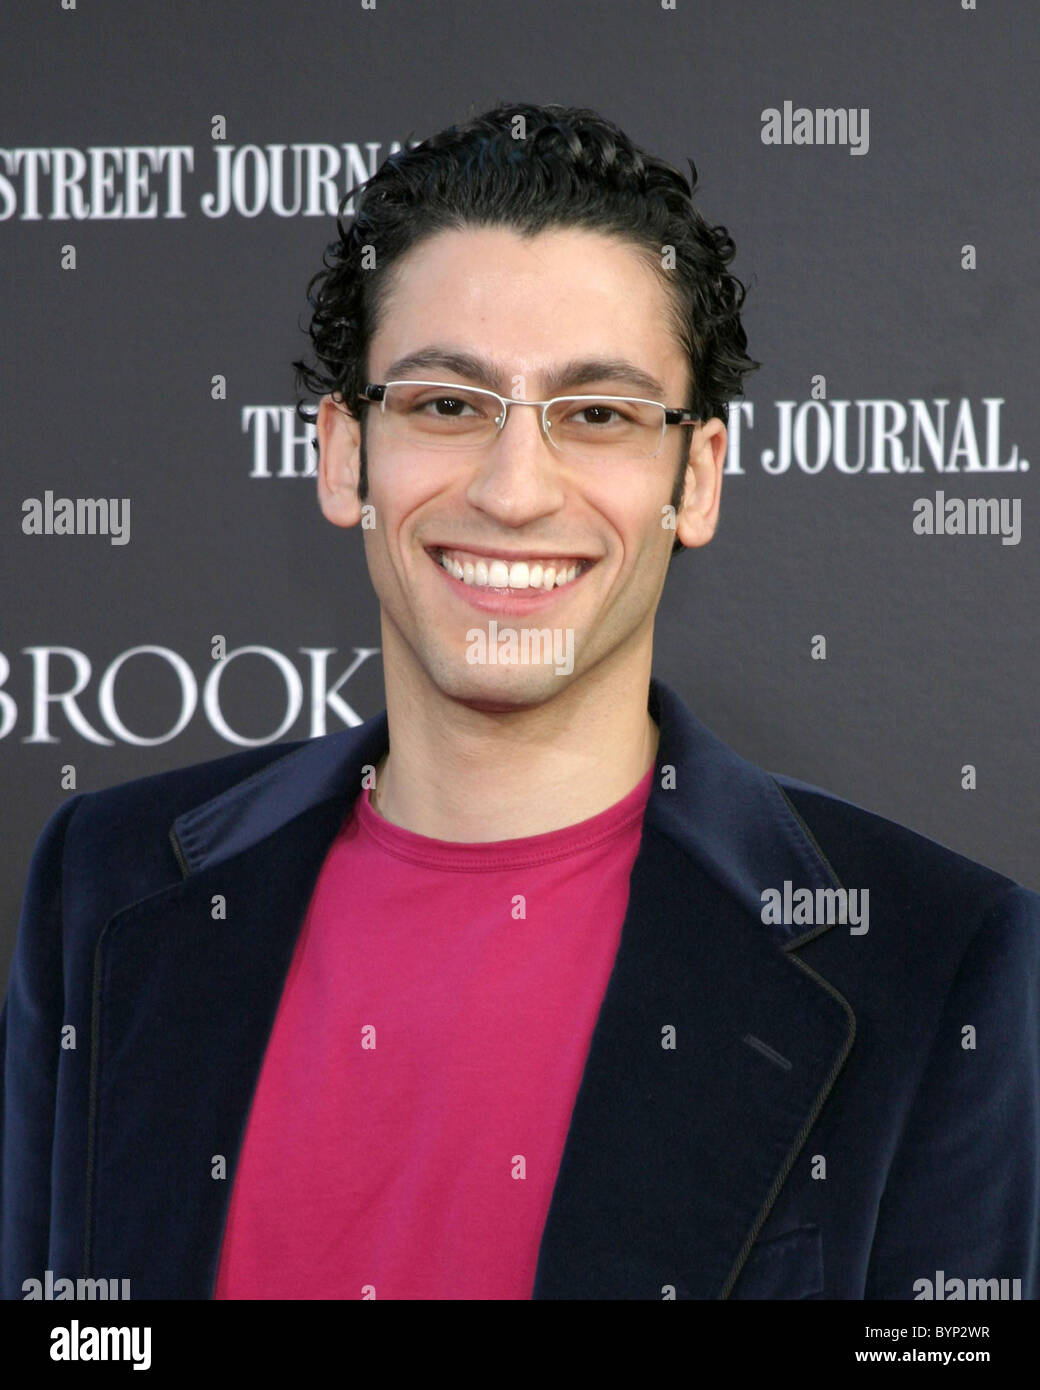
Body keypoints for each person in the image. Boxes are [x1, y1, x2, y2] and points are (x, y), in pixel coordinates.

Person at [2, 102, 1037, 1302]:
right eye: (447, 404)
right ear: (343, 455)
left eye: (596, 415)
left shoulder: (928, 953)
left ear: (693, 480)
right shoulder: (111, 883)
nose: (512, 489)